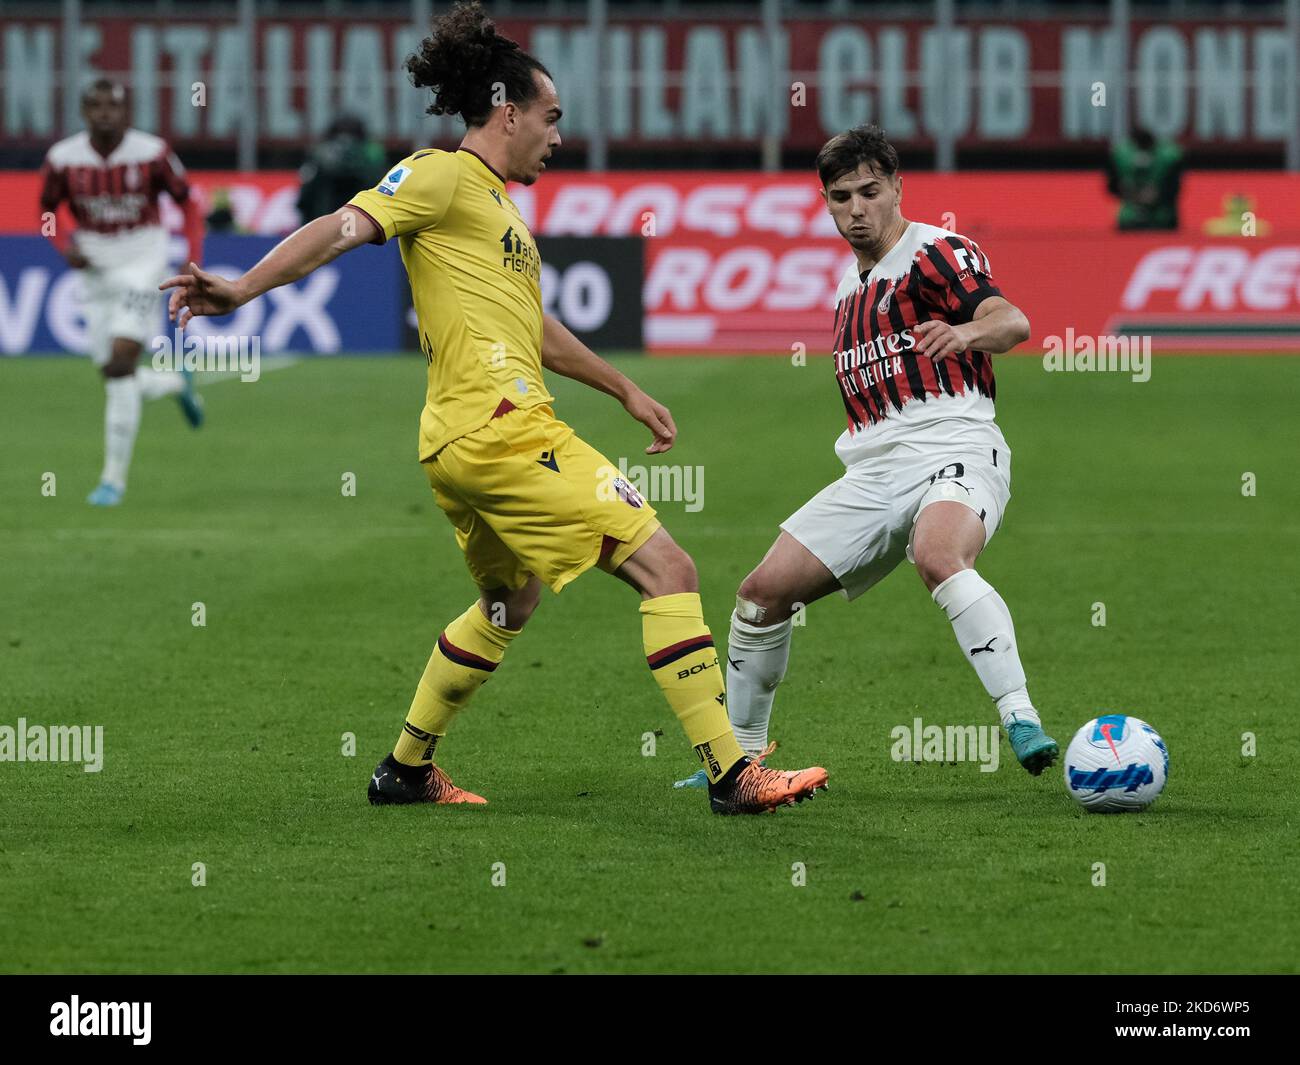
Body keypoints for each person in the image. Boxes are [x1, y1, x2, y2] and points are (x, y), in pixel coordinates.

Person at [160, 1, 828, 816]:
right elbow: (342, 227)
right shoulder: (438, 175)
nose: (557, 135)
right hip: (502, 430)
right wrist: (239, 286)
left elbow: (533, 327)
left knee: (510, 601)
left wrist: (624, 388)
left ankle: (404, 769)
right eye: (550, 118)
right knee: (670, 569)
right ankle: (733, 772)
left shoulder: (499, 211)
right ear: (507, 110)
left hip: (456, 443)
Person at [678, 124, 1057, 789]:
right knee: (759, 597)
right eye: (841, 197)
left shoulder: (936, 252)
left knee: (937, 554)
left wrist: (965, 331)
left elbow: (1013, 321)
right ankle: (739, 760)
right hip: (873, 473)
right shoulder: (849, 294)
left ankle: (1019, 714)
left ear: (898, 187)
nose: (856, 209)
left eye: (870, 192)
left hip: (955, 444)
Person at [39, 79, 205, 506]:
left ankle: (113, 480)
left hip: (143, 261)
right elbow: (45, 211)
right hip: (95, 271)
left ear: (126, 111)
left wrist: (191, 260)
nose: (104, 113)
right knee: (117, 375)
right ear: (83, 110)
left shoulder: (152, 153)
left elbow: (189, 204)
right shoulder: (62, 158)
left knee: (119, 363)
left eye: (113, 106)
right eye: (95, 105)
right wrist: (63, 245)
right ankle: (172, 383)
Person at [295, 114, 387, 224]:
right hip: (328, 211)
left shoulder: (372, 152)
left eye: (351, 135)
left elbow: (380, 184)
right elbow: (307, 193)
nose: (345, 141)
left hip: (358, 215)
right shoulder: (320, 152)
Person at [1107, 127, 1183, 231]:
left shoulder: (1169, 156)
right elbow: (1112, 186)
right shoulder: (1121, 154)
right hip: (1129, 217)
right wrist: (1131, 194)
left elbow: (1176, 187)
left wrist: (1159, 194)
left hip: (1162, 218)